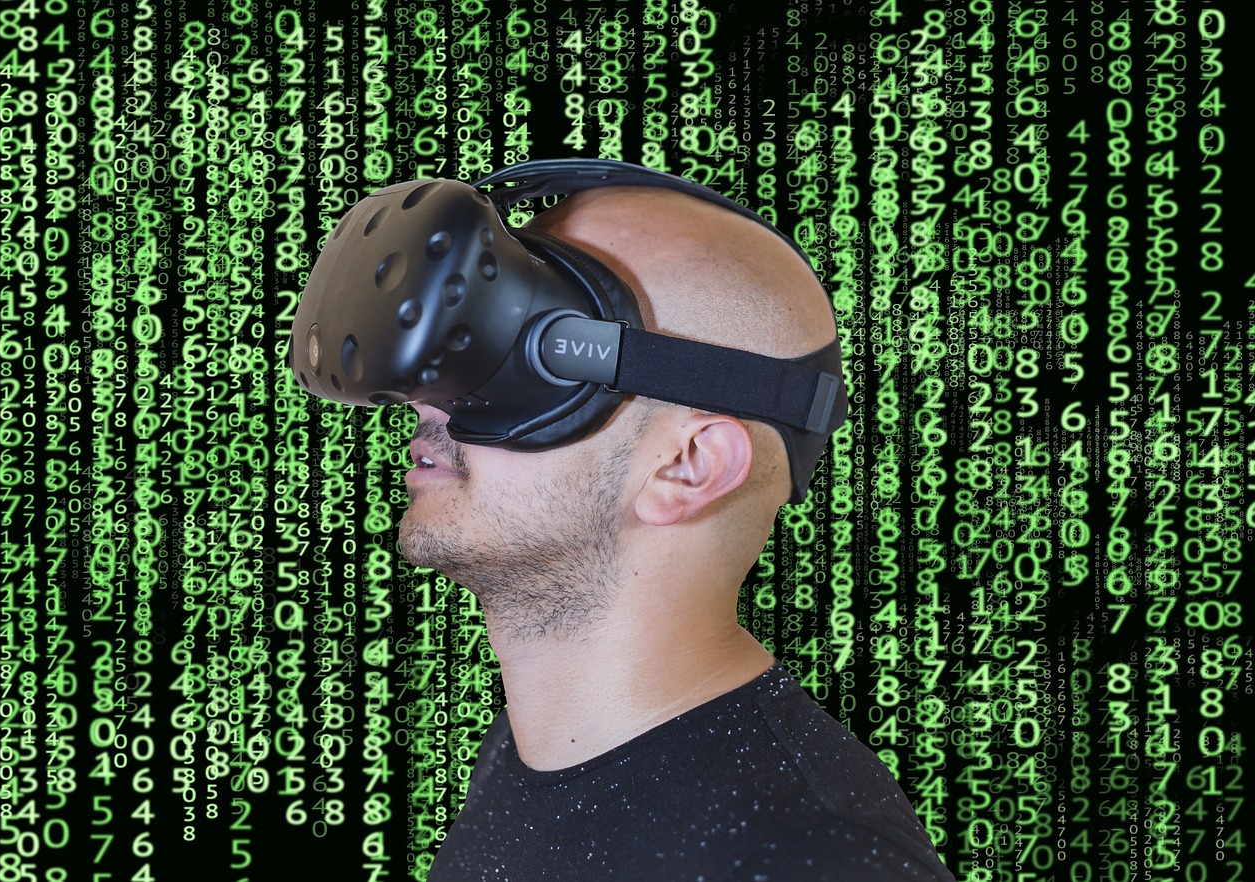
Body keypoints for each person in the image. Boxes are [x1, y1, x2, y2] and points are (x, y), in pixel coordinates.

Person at [396, 182, 955, 882]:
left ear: (687, 467)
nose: (426, 401)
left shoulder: (816, 860)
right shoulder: (539, 742)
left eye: (526, 359)